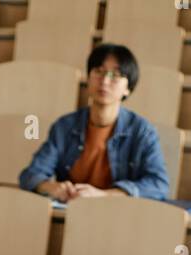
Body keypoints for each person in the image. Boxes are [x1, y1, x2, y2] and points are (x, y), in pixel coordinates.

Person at [18, 43, 170, 203]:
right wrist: (51, 187)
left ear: (128, 88)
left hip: (118, 215)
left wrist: (104, 195)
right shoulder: (64, 126)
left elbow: (159, 185)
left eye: (115, 75)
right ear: (88, 78)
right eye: (99, 71)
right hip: (71, 212)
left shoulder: (142, 131)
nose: (104, 81)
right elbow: (30, 174)